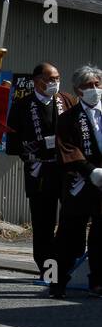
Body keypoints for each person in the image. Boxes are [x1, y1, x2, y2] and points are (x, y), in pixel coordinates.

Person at [6, 63, 75, 279]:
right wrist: (43, 145)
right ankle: (48, 271)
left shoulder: (68, 101)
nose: (55, 82)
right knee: (43, 224)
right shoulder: (22, 105)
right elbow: (13, 144)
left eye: (57, 78)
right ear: (37, 81)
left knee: (71, 219)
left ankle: (69, 266)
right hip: (40, 172)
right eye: (50, 78)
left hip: (67, 171)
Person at [50, 65, 102, 298]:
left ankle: (98, 281)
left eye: (97, 85)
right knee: (68, 237)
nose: (94, 90)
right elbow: (66, 149)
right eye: (87, 86)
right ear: (77, 90)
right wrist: (90, 170)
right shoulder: (68, 119)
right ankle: (55, 281)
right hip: (79, 182)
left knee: (101, 235)